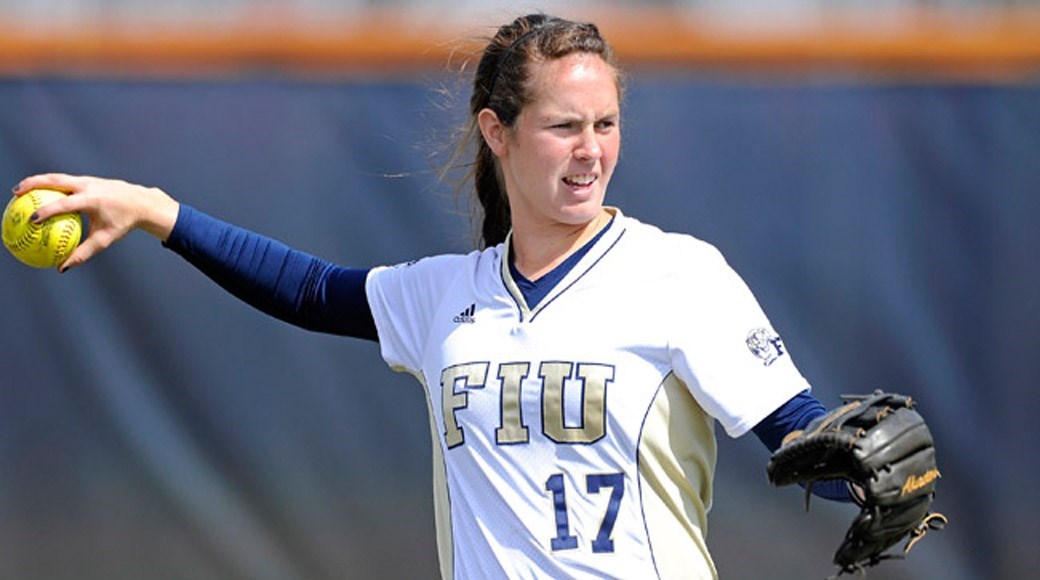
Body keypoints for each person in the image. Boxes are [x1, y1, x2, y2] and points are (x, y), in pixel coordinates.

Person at [14, 13, 852, 579]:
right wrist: (157, 212)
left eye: (606, 124)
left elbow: (800, 430)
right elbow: (309, 291)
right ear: (498, 132)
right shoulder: (446, 298)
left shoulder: (679, 275)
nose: (591, 150)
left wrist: (866, 476)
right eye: (565, 125)